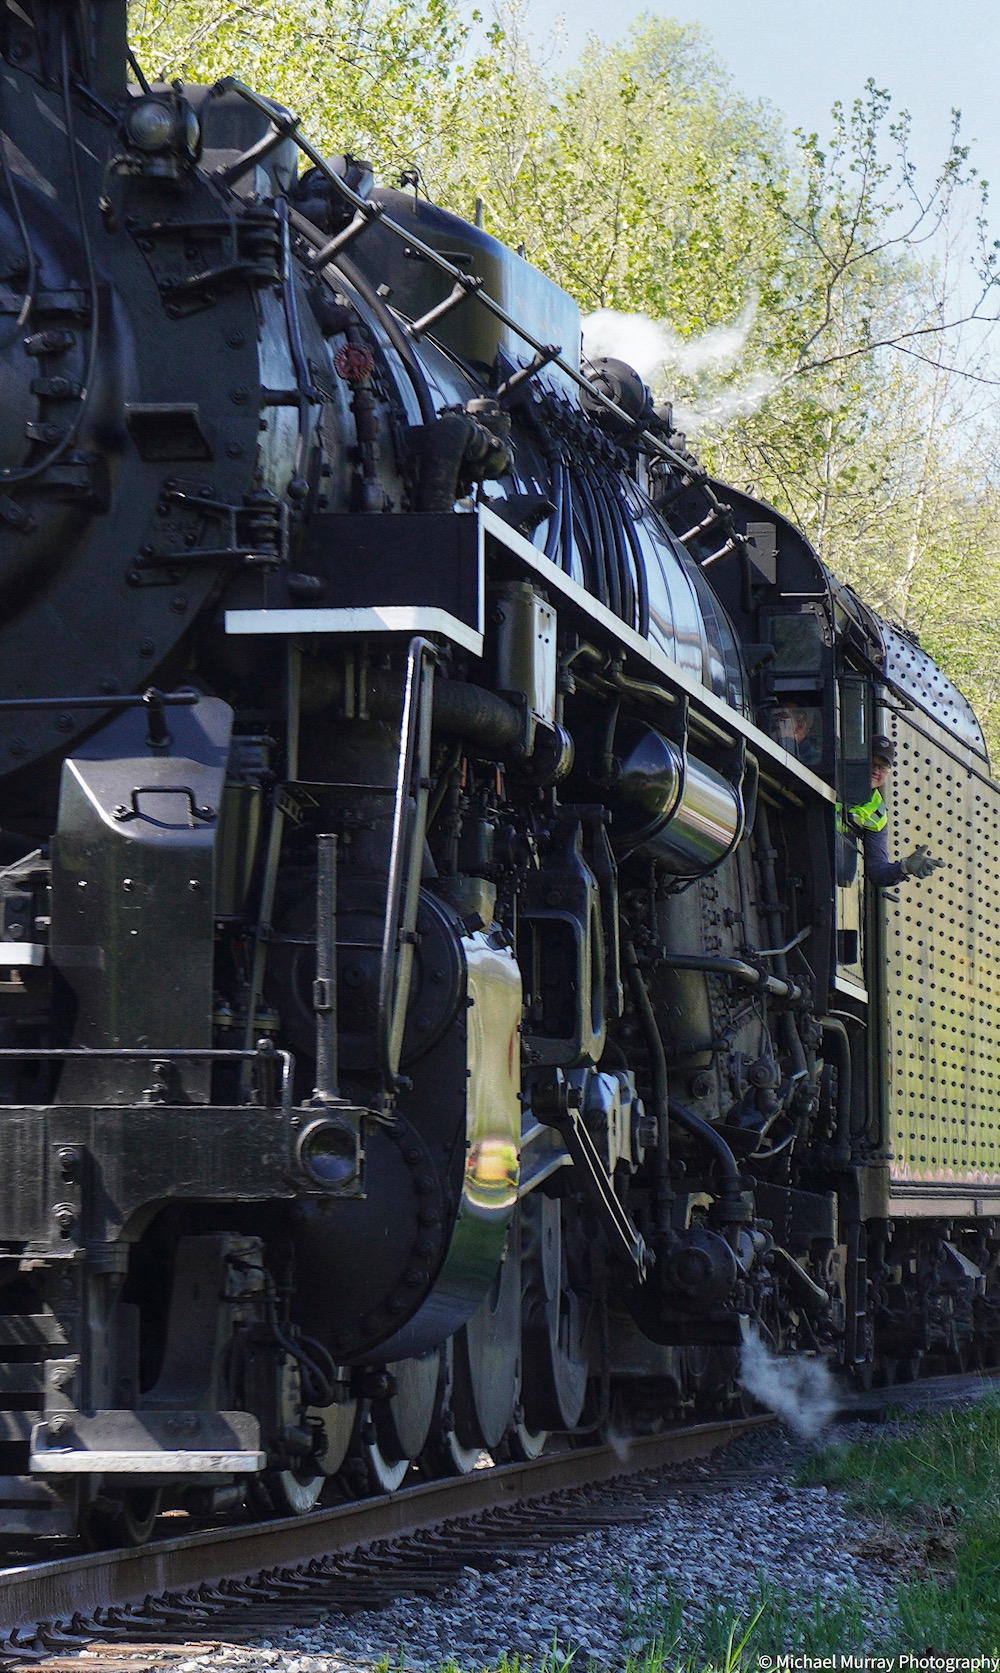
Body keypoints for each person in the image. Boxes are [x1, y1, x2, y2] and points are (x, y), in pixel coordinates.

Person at [848, 735, 945, 888]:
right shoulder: (833, 778)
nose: (875, 771)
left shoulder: (877, 813)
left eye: (882, 767)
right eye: (871, 763)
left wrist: (904, 867)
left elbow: (877, 871)